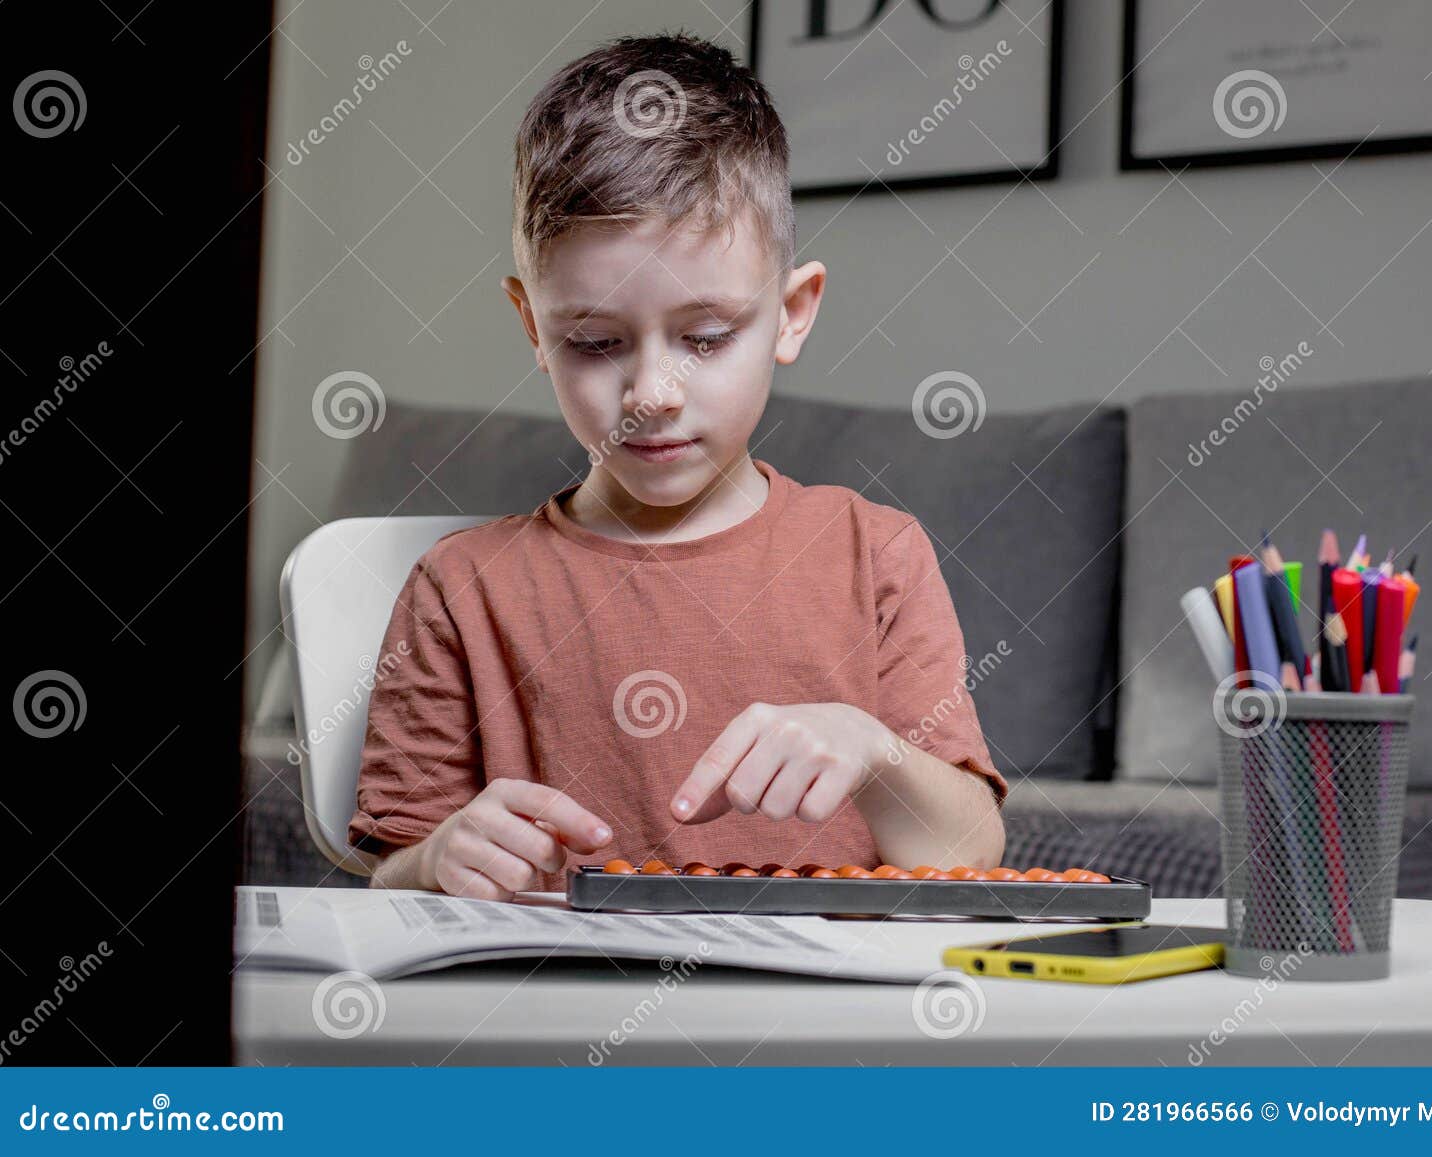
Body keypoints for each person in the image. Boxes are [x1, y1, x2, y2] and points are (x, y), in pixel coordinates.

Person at [351, 32, 1006, 899]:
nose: (652, 393)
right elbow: (391, 876)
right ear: (533, 329)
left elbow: (971, 851)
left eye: (705, 337)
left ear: (791, 313)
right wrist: (435, 861)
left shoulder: (874, 553)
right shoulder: (460, 589)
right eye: (593, 340)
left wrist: (873, 752)